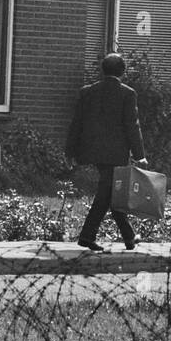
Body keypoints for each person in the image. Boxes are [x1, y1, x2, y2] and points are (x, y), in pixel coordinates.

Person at [66, 53, 149, 251]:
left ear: (102, 70)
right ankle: (87, 236)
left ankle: (129, 237)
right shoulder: (127, 94)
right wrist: (140, 155)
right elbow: (132, 126)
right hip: (115, 153)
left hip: (92, 150)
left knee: (110, 191)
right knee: (106, 194)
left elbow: (76, 123)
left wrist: (70, 151)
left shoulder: (87, 92)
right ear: (123, 71)